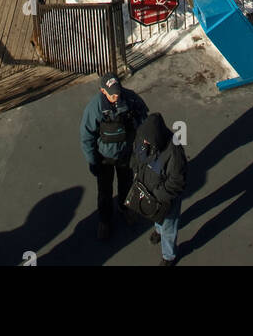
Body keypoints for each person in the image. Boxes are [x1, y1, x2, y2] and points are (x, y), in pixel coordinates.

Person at [80, 72, 148, 240]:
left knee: (126, 184)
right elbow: (86, 137)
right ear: (103, 91)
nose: (116, 97)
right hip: (104, 158)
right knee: (104, 191)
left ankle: (125, 209)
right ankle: (105, 220)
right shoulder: (94, 108)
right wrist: (92, 161)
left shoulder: (130, 99)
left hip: (125, 153)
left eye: (118, 92)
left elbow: (144, 116)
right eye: (112, 94)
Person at [130, 112, 188, 267]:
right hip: (149, 191)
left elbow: (176, 182)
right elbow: (136, 157)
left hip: (165, 198)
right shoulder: (142, 138)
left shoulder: (174, 152)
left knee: (169, 225)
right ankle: (158, 229)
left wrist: (159, 195)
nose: (144, 142)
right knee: (156, 216)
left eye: (148, 141)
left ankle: (169, 256)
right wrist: (136, 175)